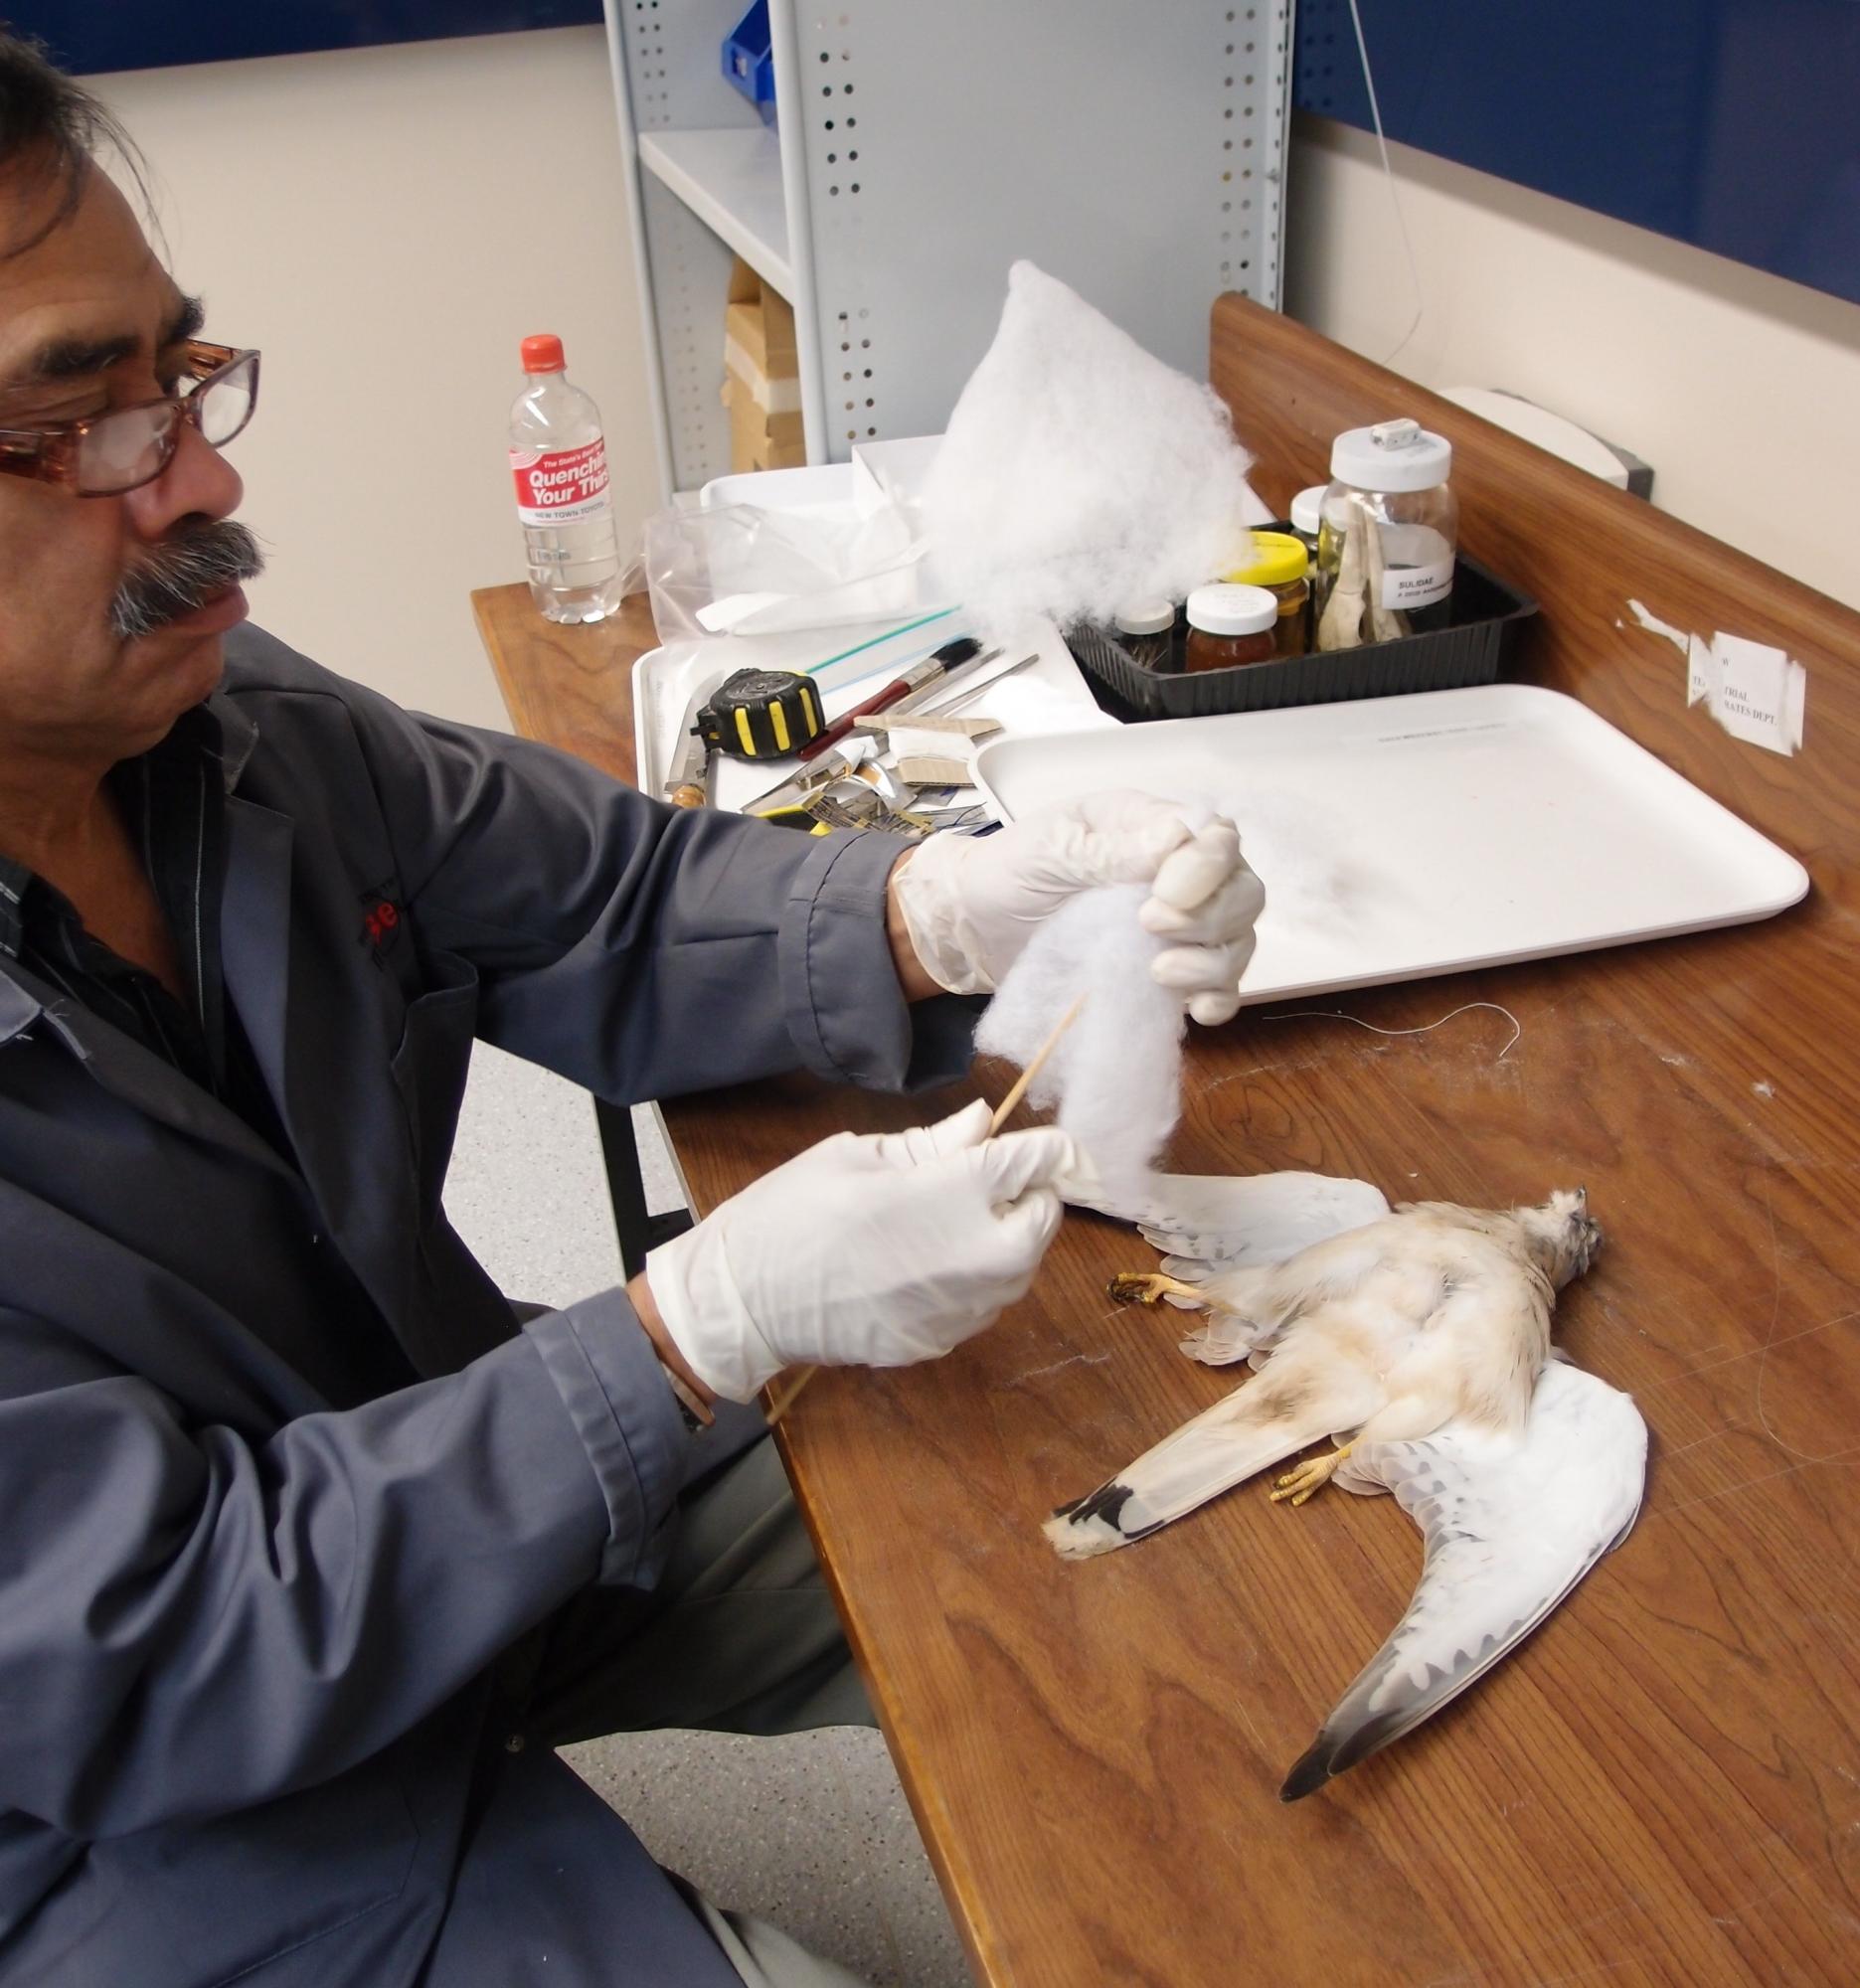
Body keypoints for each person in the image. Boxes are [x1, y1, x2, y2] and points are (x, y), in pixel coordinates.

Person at [0, 35, 1265, 1988]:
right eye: (83, 423)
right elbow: (150, 1641)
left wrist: (945, 914)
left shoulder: (207, 731)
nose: (206, 474)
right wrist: (692, 1333)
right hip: (131, 1831)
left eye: (179, 375)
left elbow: (604, 895)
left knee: (1077, 1462)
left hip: (413, 1490)